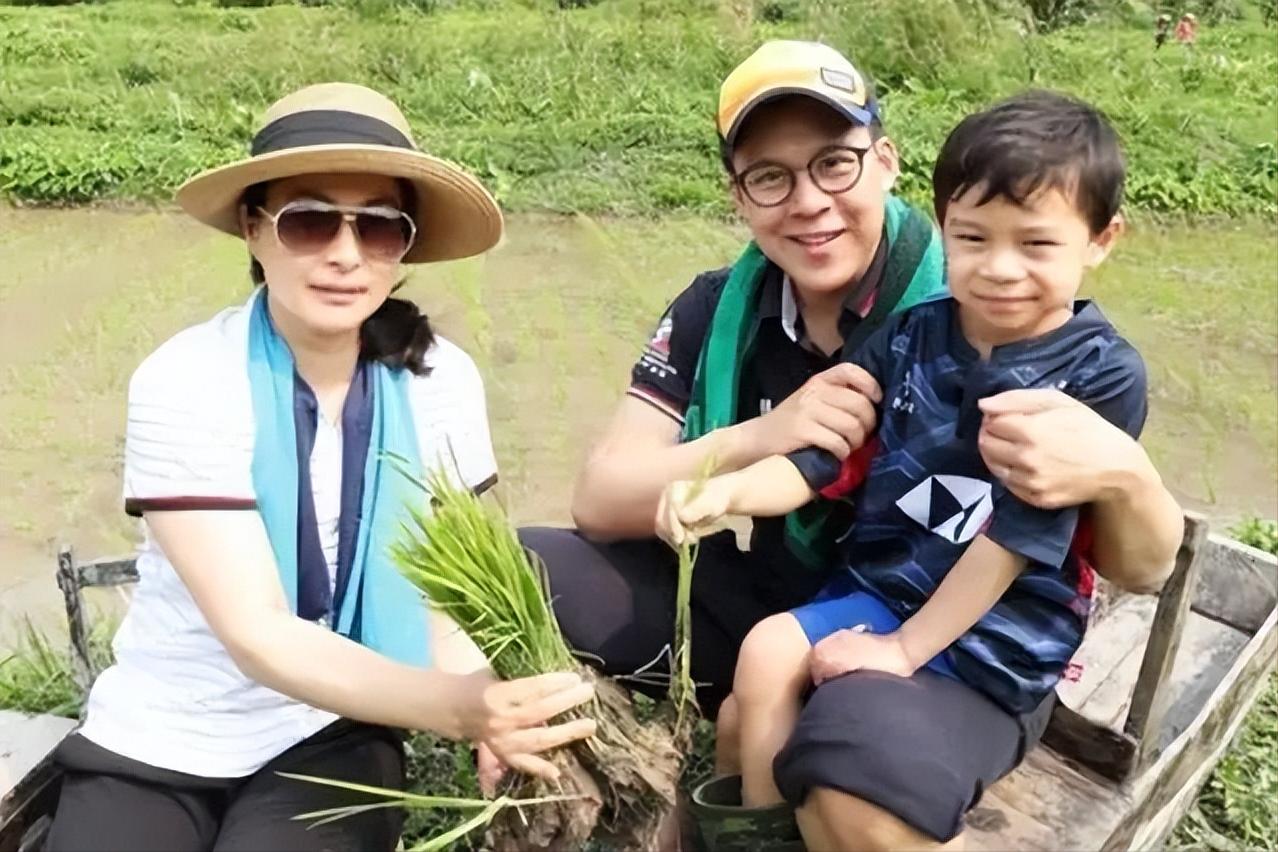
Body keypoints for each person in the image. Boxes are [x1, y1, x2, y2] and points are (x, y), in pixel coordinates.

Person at [519, 40, 1184, 851]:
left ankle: (816, 763)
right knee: (560, 577)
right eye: (771, 177)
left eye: (834, 163)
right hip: (830, 592)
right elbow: (628, 495)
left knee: (835, 755)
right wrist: (743, 455)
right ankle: (750, 828)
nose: (808, 202)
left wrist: (903, 647)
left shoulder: (1022, 338)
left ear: (886, 162)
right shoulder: (818, 324)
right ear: (739, 195)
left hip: (966, 625)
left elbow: (1104, 554)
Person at [44, 83, 596, 852]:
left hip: (336, 723)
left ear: (404, 247)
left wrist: (491, 704)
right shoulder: (189, 378)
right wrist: (461, 709)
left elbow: (447, 591)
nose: (345, 254)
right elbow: (257, 633)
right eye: (309, 221)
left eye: (379, 227)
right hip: (165, 727)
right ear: (253, 229)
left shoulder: (438, 381)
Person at [661, 91, 1146, 842]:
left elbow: (1015, 540)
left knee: (817, 748)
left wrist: (903, 649)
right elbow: (818, 463)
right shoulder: (911, 336)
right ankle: (761, 833)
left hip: (997, 632)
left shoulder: (1097, 376)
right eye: (973, 238)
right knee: (764, 654)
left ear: (1100, 240)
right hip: (882, 593)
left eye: (1036, 244)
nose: (1000, 269)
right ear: (941, 225)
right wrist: (724, 491)